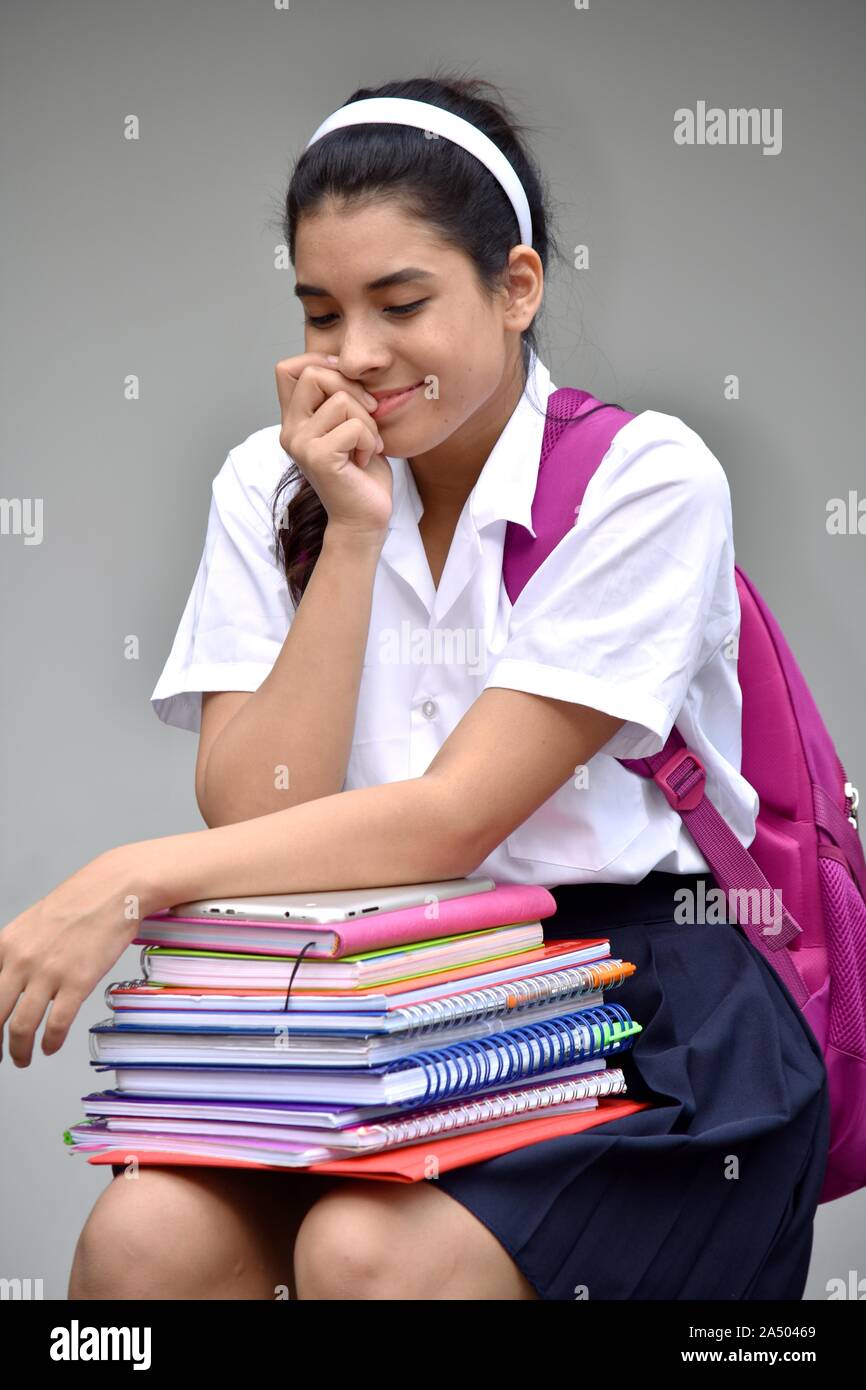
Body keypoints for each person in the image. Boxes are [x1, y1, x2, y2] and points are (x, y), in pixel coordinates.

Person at [0, 70, 829, 1302]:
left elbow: (455, 819)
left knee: (362, 1257)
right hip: (381, 999)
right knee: (143, 1245)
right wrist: (345, 532)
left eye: (400, 303)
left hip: (630, 1011)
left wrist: (130, 881)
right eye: (320, 311)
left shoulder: (643, 480)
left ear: (516, 288)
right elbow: (254, 805)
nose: (357, 356)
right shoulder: (269, 481)